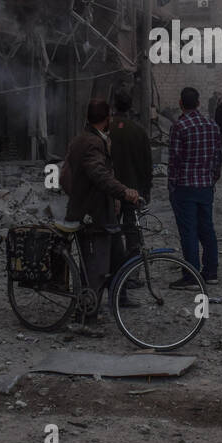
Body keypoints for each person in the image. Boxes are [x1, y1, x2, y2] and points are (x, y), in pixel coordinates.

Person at [61, 99, 141, 323]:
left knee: (118, 259)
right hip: (93, 216)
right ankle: (86, 318)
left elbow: (67, 175)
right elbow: (99, 175)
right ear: (107, 119)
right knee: (96, 268)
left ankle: (119, 298)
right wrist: (123, 191)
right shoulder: (92, 143)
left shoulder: (84, 139)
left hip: (104, 213)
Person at [167, 86, 222, 287]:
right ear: (199, 103)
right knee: (207, 229)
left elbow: (174, 160)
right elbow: (217, 157)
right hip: (205, 186)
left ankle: (191, 276)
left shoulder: (180, 127)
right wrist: (212, 178)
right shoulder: (212, 125)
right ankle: (211, 272)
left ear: (181, 104)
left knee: (189, 231)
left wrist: (171, 186)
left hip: (185, 186)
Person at [109, 89, 153, 297]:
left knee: (111, 231)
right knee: (133, 233)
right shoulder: (139, 130)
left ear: (114, 105)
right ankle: (132, 276)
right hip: (133, 190)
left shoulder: (106, 129)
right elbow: (147, 164)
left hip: (110, 190)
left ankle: (111, 272)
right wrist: (146, 189)